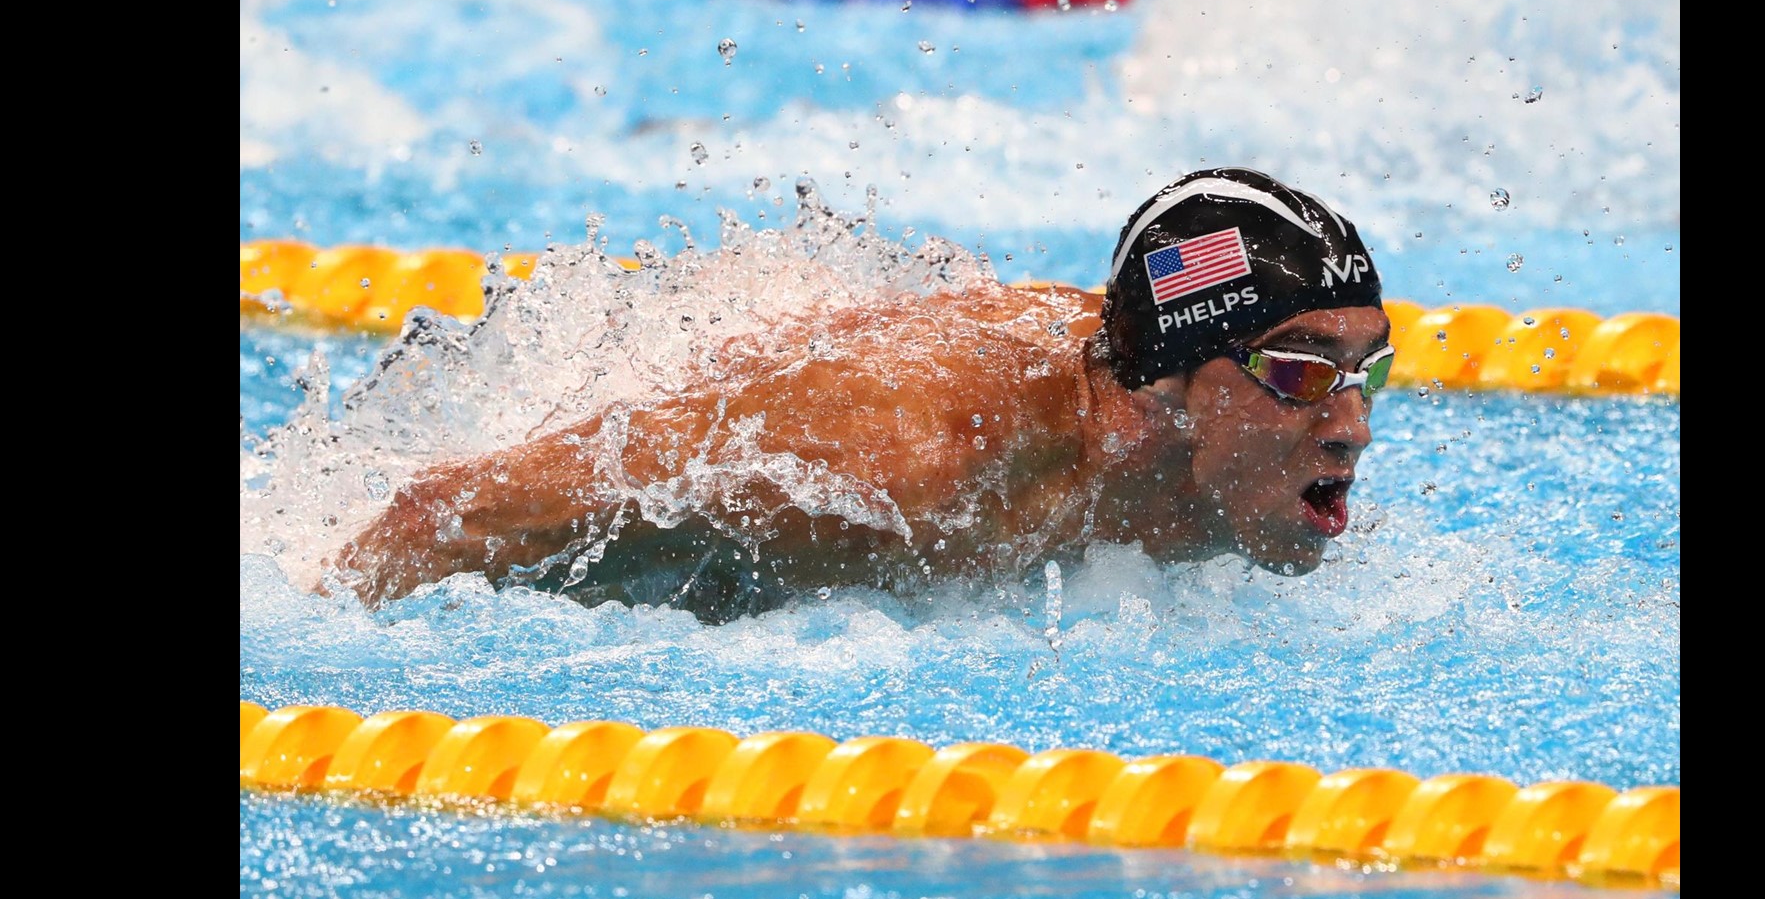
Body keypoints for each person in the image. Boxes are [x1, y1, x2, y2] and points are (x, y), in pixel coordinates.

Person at [324, 168, 1393, 621]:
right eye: (1301, 375)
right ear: (1160, 393)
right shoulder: (905, 462)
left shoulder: (1195, 450)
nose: (1349, 426)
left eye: (1366, 371)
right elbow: (443, 514)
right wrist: (316, 619)